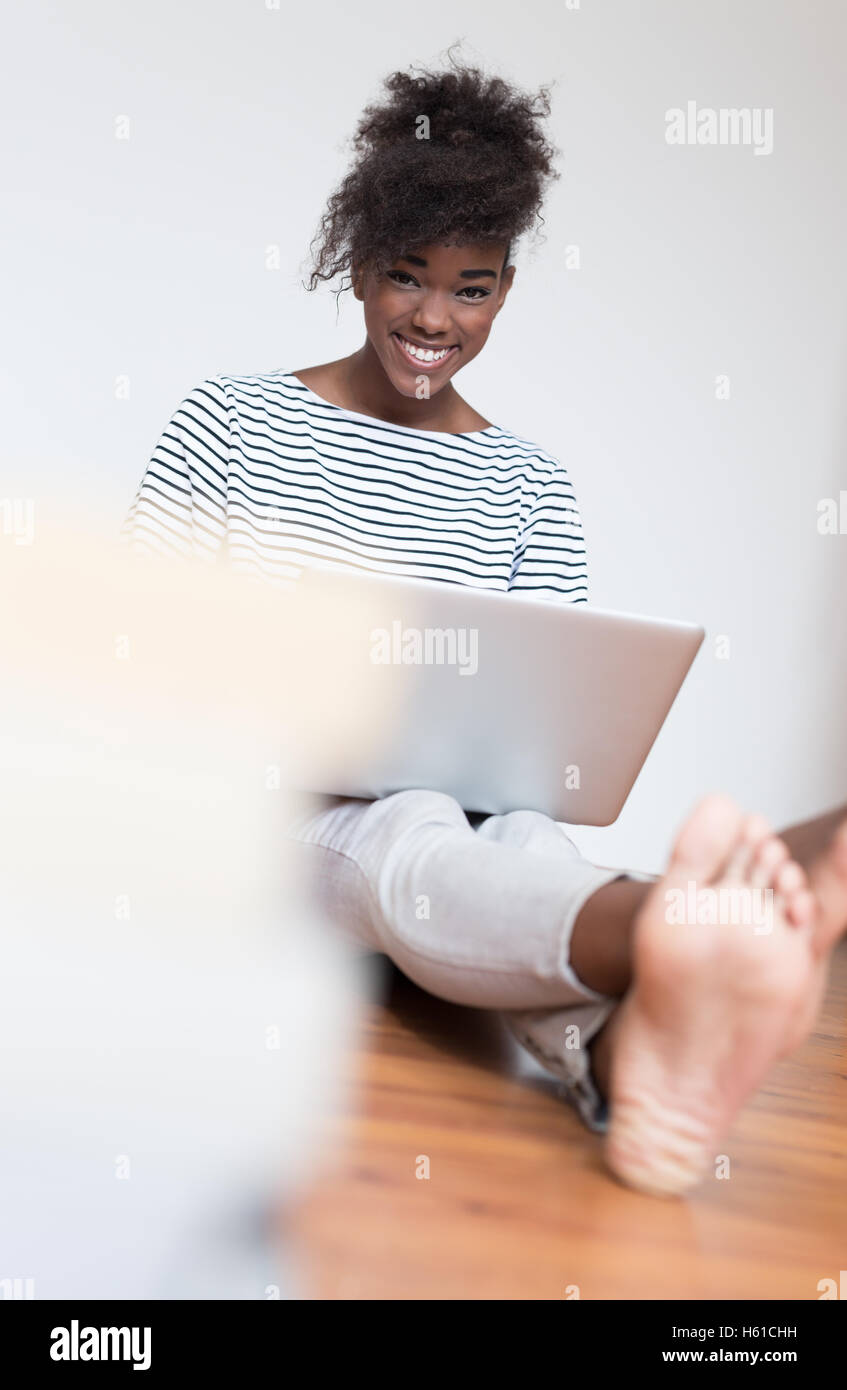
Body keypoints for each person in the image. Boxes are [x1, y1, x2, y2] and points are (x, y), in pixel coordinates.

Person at [122, 54, 847, 1197]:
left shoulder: (528, 485)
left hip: (454, 847)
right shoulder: (232, 421)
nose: (432, 319)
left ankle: (622, 1053)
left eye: (472, 288)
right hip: (261, 834)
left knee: (522, 835)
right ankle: (675, 924)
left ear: (507, 289)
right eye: (407, 278)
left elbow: (546, 733)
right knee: (406, 817)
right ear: (356, 265)